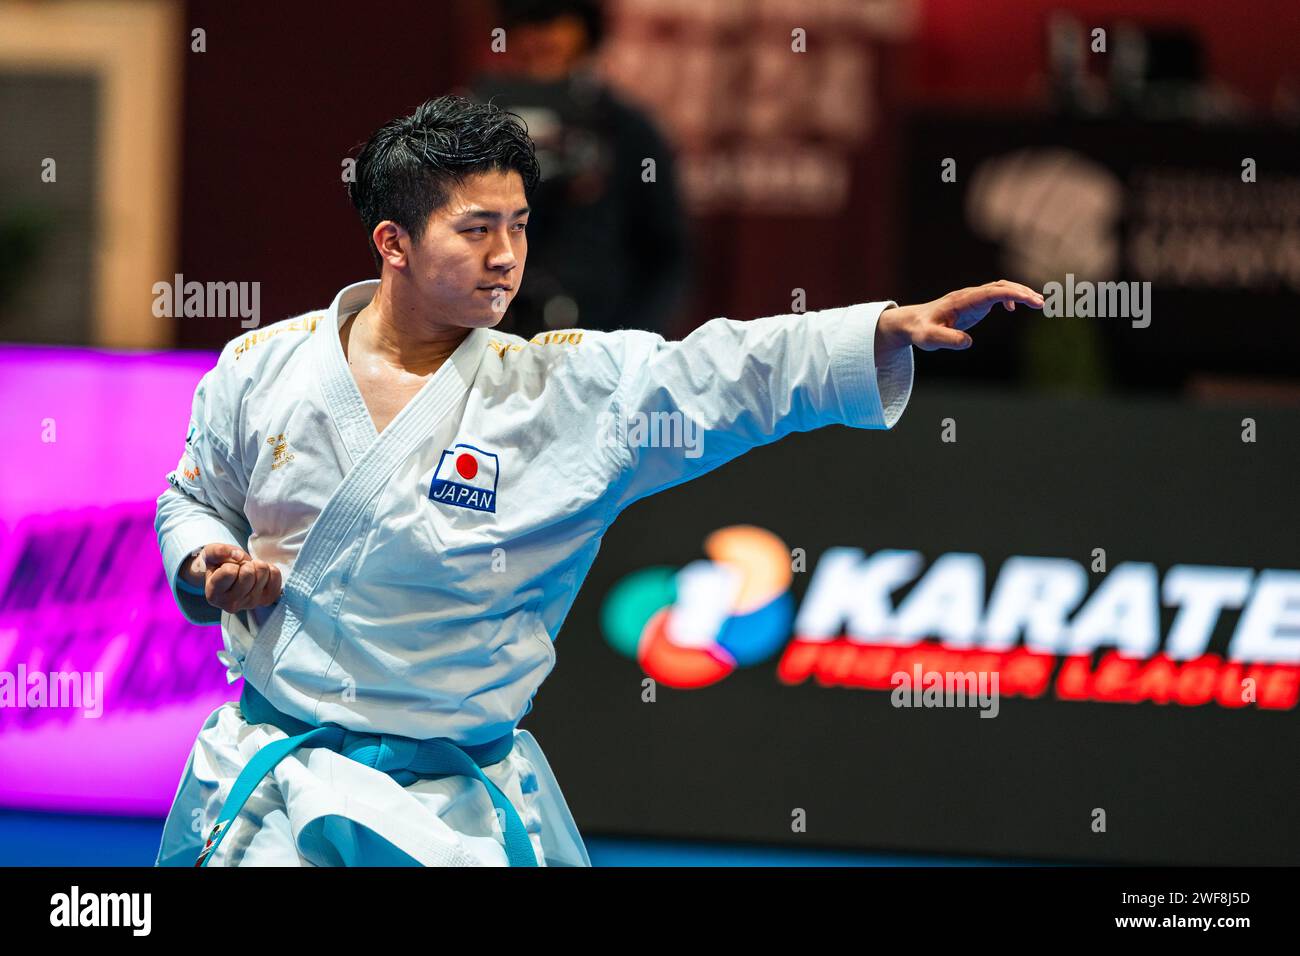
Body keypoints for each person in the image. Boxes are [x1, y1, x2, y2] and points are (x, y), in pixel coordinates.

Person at [153, 94, 1043, 866]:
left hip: (449, 802)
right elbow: (189, 497)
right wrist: (206, 563)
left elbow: (724, 371)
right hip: (275, 772)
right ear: (394, 241)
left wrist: (883, 329)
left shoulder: (561, 394)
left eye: (520, 224)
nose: (508, 255)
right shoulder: (262, 367)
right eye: (476, 229)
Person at [467, 0, 691, 339]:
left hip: (598, 340)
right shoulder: (470, 126)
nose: (541, 37)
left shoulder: (625, 129)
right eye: (528, 22)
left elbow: (665, 251)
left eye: (556, 20)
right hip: (490, 341)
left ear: (585, 29)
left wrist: (632, 342)